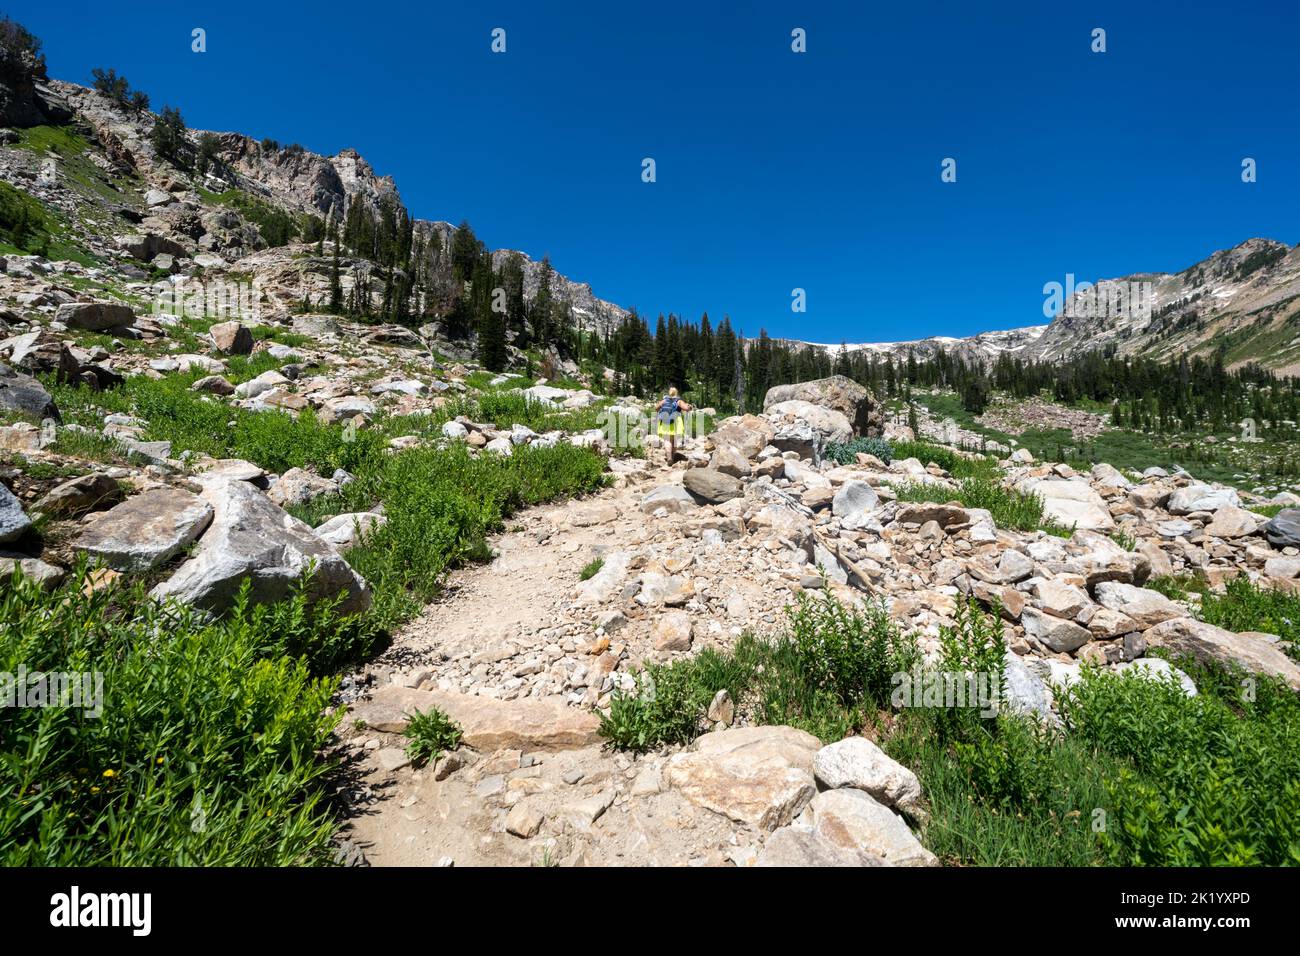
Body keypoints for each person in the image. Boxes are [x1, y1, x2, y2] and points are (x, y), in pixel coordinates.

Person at [655, 387, 692, 465]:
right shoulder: (679, 401)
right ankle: (673, 456)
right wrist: (689, 407)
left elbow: (656, 408)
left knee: (667, 440)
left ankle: (669, 458)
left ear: (669, 393)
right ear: (676, 393)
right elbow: (686, 409)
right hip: (675, 422)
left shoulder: (664, 400)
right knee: (674, 440)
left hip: (665, 422)